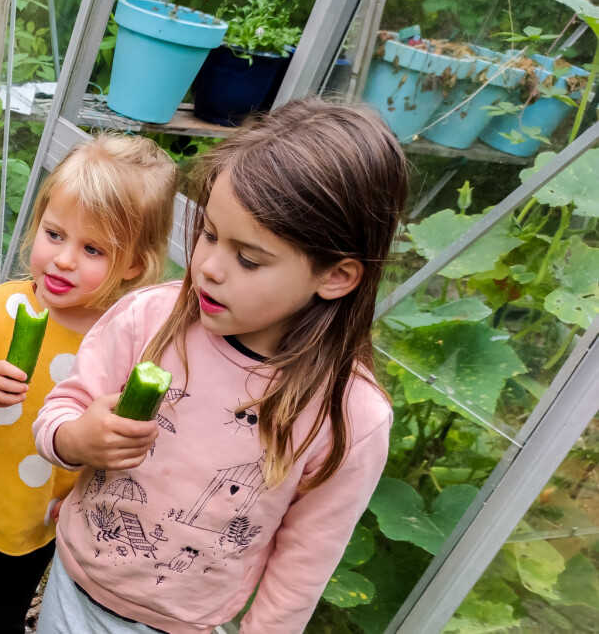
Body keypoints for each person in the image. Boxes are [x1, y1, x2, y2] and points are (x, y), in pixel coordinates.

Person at [30, 99, 407, 633]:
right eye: (208, 234)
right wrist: (75, 439)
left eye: (248, 259)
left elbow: (302, 566)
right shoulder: (150, 317)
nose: (207, 267)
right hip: (73, 583)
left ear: (337, 276)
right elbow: (61, 410)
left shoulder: (350, 416)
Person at [0, 135, 177, 634]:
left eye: (92, 249)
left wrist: (89, 499)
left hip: (37, 522)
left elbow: (120, 444)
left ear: (133, 263)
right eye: (54, 234)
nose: (63, 259)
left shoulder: (122, 347)